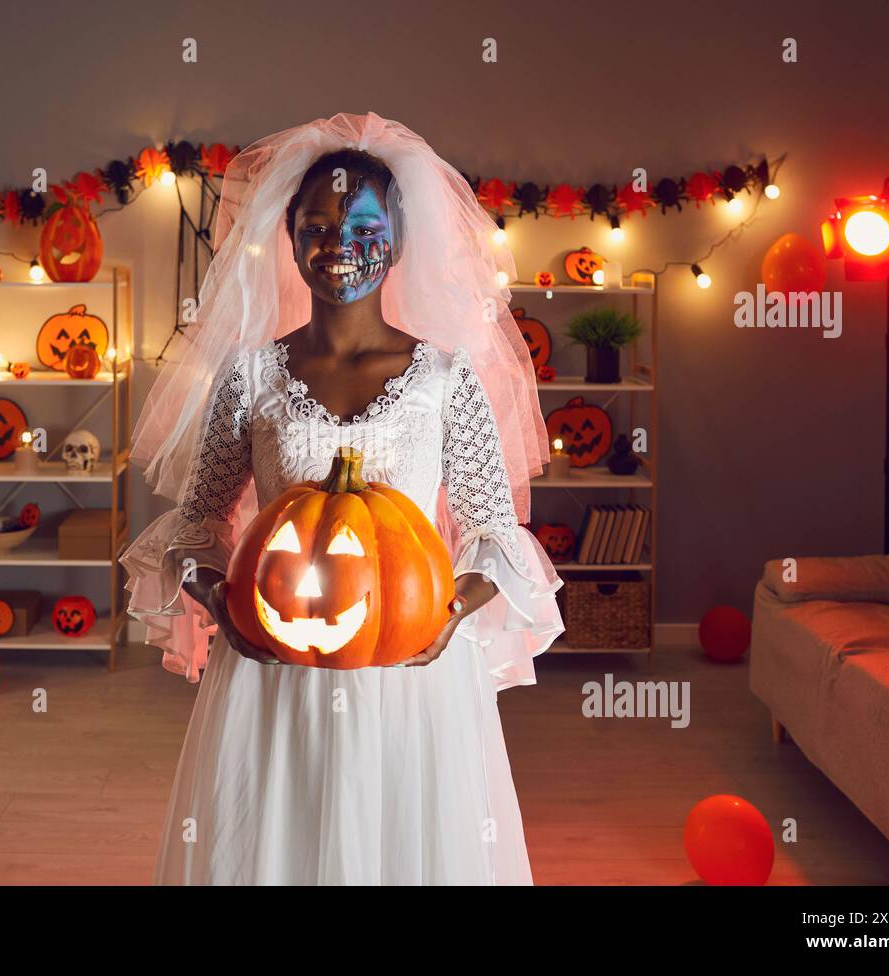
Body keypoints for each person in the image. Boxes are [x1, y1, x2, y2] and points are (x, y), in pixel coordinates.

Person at [122, 112, 563, 884]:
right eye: (316, 225)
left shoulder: (445, 378)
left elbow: (494, 532)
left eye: (361, 223)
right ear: (289, 240)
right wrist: (223, 605)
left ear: (395, 240)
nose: (338, 244)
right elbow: (196, 529)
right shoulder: (249, 375)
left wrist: (446, 614)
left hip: (410, 670)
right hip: (276, 667)